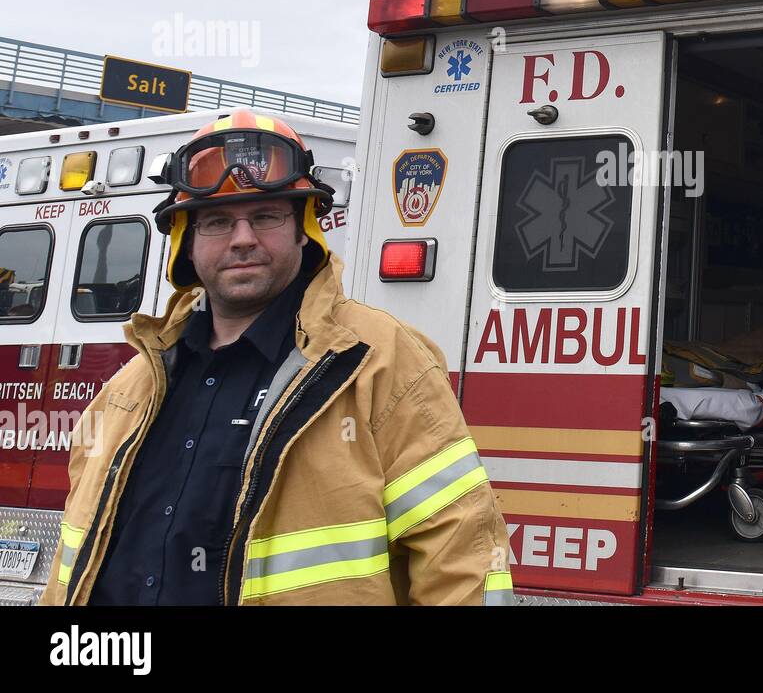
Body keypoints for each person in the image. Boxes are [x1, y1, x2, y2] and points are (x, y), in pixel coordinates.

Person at [41, 110, 513, 605]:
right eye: (218, 221)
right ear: (187, 242)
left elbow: (463, 552)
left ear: (303, 229)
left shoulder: (381, 362)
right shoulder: (130, 389)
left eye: (266, 215)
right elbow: (72, 567)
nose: (242, 238)